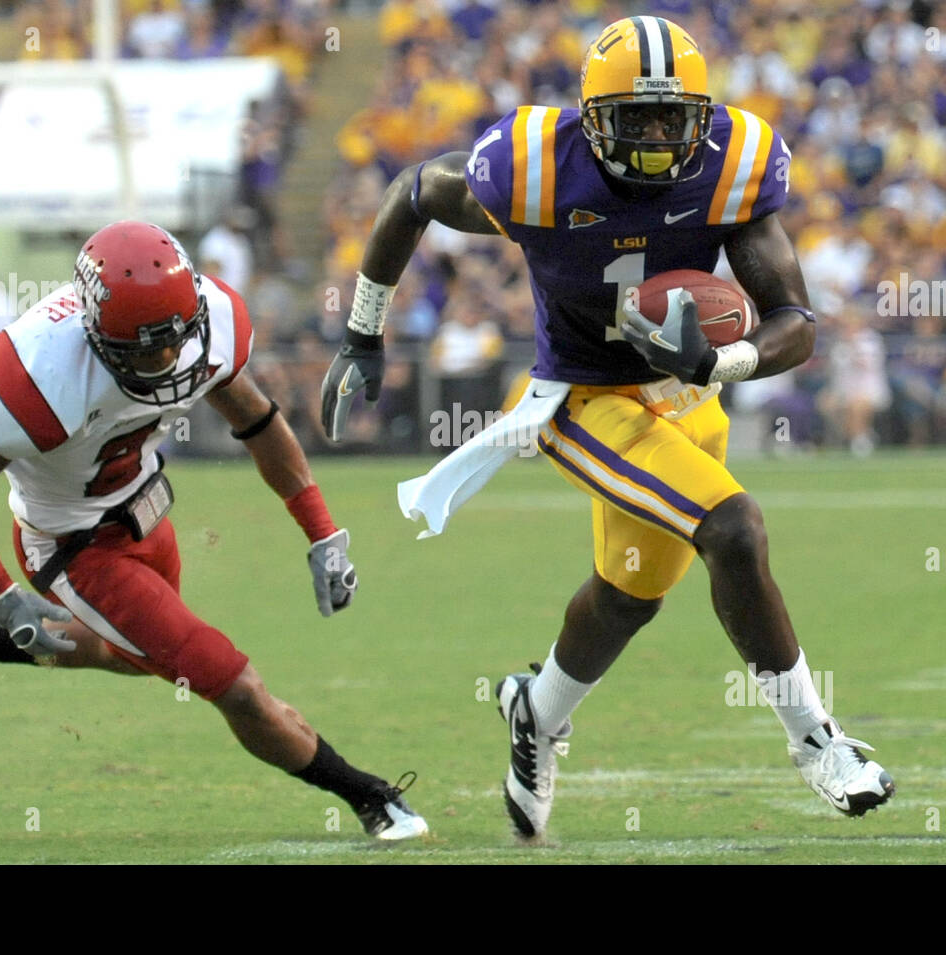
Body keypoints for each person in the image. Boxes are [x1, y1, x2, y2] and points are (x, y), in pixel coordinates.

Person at [320, 16, 893, 840]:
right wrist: (363, 333)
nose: (662, 138)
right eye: (640, 118)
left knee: (630, 594)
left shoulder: (733, 164)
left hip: (690, 396)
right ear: (593, 119)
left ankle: (535, 710)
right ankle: (818, 742)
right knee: (733, 531)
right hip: (586, 399)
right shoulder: (533, 171)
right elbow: (412, 193)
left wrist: (717, 366)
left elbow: (795, 323)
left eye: (675, 118)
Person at [0, 221, 427, 841]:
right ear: (95, 335)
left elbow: (258, 421)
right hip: (73, 550)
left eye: (175, 341)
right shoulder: (32, 380)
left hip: (143, 509)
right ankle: (371, 797)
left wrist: (323, 533)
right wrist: (2, 598)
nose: (167, 360)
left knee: (144, 660)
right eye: (146, 350)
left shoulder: (207, 322)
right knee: (232, 684)